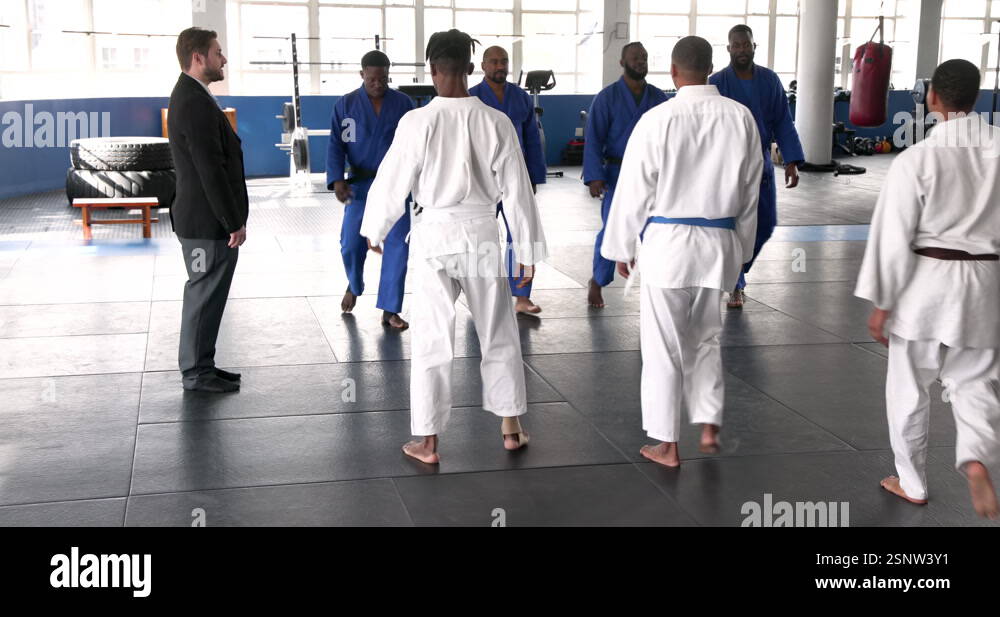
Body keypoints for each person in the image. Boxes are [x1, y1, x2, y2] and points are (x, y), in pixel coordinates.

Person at [361, 29, 548, 464]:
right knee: (498, 330)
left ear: (431, 70)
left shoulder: (417, 121)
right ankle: (511, 426)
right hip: (482, 233)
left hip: (434, 238)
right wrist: (528, 249)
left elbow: (393, 180)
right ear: (469, 68)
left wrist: (376, 230)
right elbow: (518, 190)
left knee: (431, 337)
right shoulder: (496, 121)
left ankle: (428, 441)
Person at [602, 36, 762, 466]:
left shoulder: (658, 118)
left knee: (663, 347)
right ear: (710, 68)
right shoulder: (741, 118)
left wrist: (620, 246)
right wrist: (741, 251)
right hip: (718, 246)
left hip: (668, 249)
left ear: (673, 72)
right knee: (706, 339)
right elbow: (751, 191)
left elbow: (634, 190)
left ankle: (666, 444)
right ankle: (708, 425)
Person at [855, 59, 1000, 519]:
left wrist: (883, 301)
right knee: (975, 382)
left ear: (932, 97)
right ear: (976, 99)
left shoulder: (917, 159)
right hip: (984, 286)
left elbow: (892, 235)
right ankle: (975, 459)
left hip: (925, 286)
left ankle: (912, 481)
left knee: (909, 387)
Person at [167, 27, 248, 393]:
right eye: (217, 52)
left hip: (205, 219)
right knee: (202, 294)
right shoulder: (194, 101)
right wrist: (232, 221)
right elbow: (209, 168)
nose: (223, 58)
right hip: (205, 222)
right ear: (198, 58)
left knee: (209, 295)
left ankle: (204, 365)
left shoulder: (195, 96)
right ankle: (196, 373)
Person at [709, 24, 804, 309]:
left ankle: (739, 268)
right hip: (726, 161)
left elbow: (783, 122)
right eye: (736, 45)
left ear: (754, 46)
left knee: (765, 223)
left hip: (760, 160)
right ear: (728, 48)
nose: (741, 49)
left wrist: (791, 160)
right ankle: (735, 282)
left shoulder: (770, 80)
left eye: (746, 44)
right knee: (731, 223)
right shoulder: (717, 82)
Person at [326, 50, 415, 329]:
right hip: (360, 186)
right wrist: (337, 179)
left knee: (398, 246)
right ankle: (354, 283)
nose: (378, 83)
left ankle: (390, 310)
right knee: (350, 244)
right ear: (362, 74)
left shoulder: (404, 104)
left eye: (383, 78)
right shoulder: (346, 105)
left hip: (395, 185)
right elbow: (335, 145)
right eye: (372, 78)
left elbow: (415, 146)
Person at [584, 42, 667, 308]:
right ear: (622, 62)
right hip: (617, 172)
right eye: (635, 58)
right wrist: (595, 175)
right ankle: (597, 280)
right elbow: (594, 138)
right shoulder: (607, 97)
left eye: (644, 58)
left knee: (655, 230)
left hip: (652, 173)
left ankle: (659, 286)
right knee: (612, 228)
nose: (641, 62)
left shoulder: (658, 98)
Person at [470, 45, 546, 315]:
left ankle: (522, 296)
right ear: (483, 66)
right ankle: (484, 296)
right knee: (484, 238)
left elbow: (532, 140)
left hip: (516, 176)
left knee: (522, 233)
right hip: (483, 179)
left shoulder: (521, 97)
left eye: (503, 61)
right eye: (494, 62)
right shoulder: (472, 97)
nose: (499, 66)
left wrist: (534, 176)